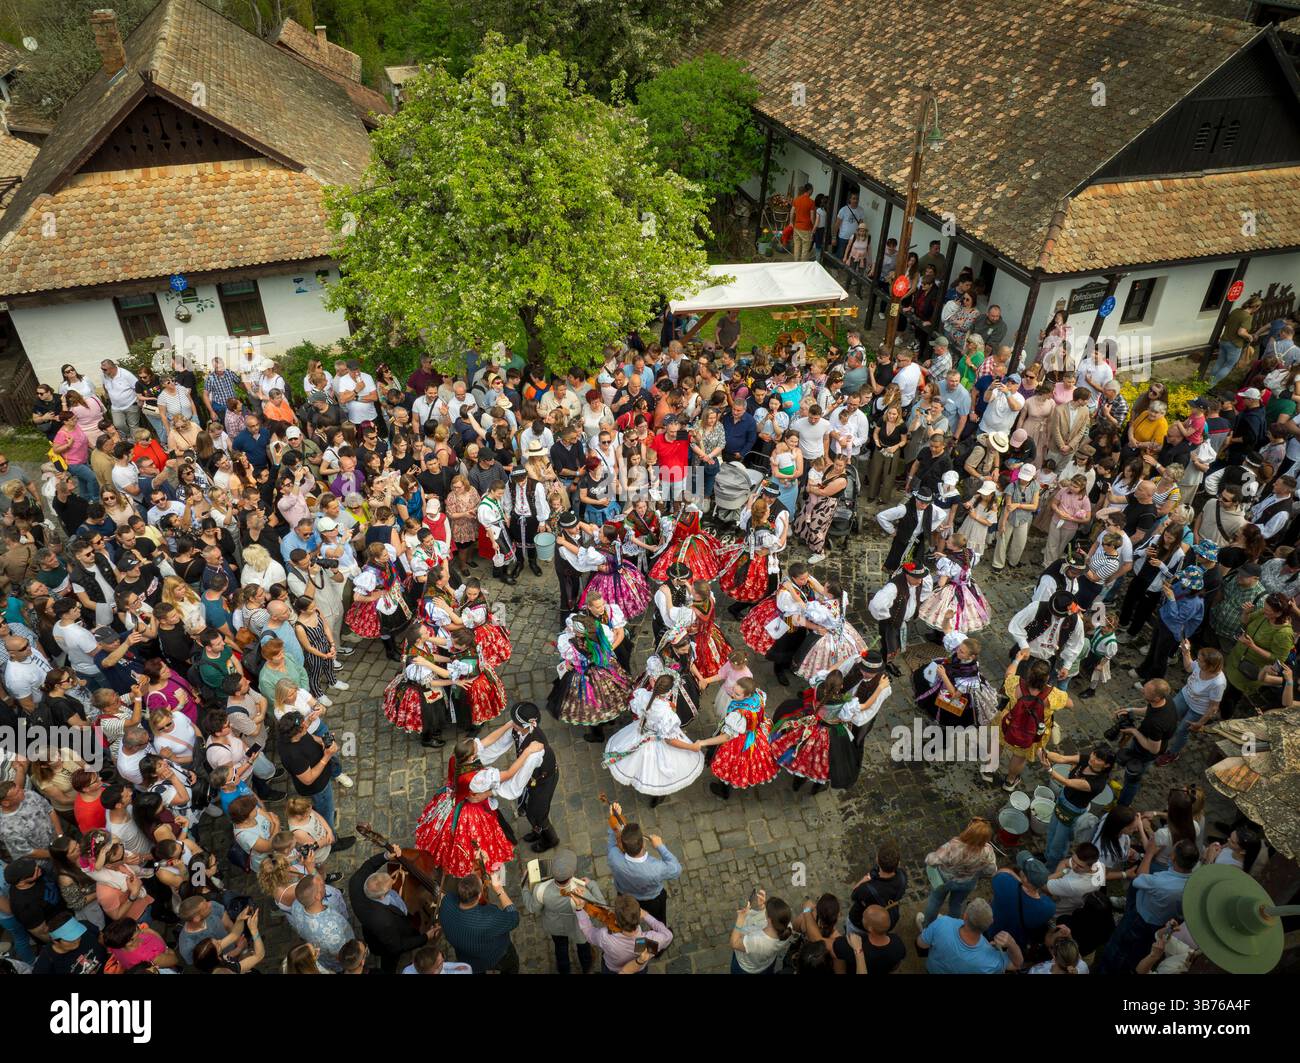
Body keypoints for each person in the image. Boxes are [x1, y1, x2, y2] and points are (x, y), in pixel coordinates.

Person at [1095, 839, 1198, 974]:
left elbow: (1138, 880)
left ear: (1173, 857)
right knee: (1140, 952)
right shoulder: (1195, 882)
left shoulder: (1160, 883)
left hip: (1141, 921)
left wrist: (1149, 854)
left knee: (1118, 950)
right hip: (1163, 924)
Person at [522, 847, 602, 975]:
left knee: (560, 949)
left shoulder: (540, 888)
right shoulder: (581, 892)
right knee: (583, 948)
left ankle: (564, 970)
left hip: (555, 926)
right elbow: (601, 905)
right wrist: (591, 884)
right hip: (578, 927)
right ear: (572, 874)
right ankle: (587, 968)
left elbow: (533, 908)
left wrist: (524, 887)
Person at [916, 817, 997, 932]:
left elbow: (931, 860)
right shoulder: (988, 850)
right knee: (956, 904)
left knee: (935, 901)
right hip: (967, 882)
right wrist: (976, 871)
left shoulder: (953, 846)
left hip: (945, 879)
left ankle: (926, 926)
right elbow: (991, 871)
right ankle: (951, 929)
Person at [604, 808, 681, 925]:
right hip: (652, 900)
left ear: (622, 846)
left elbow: (612, 840)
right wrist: (660, 846)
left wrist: (614, 819)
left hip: (626, 897)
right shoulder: (656, 868)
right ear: (644, 843)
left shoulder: (613, 856)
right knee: (659, 920)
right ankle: (661, 931)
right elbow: (676, 869)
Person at [438, 872, 521, 974]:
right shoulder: (488, 917)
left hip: (468, 959)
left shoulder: (446, 901)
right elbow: (514, 918)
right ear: (479, 896)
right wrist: (499, 889)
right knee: (511, 967)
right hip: (496, 956)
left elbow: (450, 896)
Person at [918, 897, 1022, 974]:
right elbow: (1017, 964)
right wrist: (1011, 943)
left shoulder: (943, 922)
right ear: (989, 924)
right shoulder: (990, 960)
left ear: (965, 916)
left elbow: (921, 944)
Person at [729, 888, 794, 974]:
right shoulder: (787, 927)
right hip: (766, 965)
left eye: (767, 910)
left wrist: (740, 919)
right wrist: (763, 907)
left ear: (770, 920)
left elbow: (734, 943)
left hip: (746, 969)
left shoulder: (756, 940)